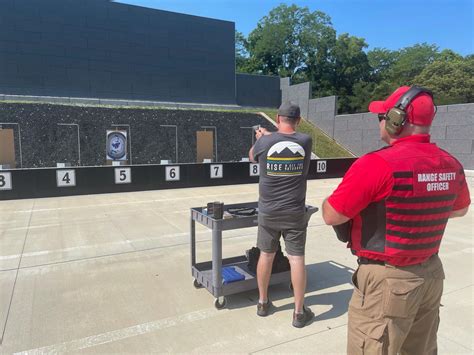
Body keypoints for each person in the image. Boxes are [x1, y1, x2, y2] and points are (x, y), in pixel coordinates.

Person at [322, 86, 470, 354]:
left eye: (381, 117)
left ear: (396, 120)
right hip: (432, 276)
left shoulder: (376, 164)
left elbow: (332, 214)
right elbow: (460, 210)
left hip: (387, 281)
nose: (379, 123)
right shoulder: (451, 163)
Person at [249, 101, 313, 328]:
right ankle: (298, 313)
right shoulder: (306, 141)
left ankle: (263, 303)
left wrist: (261, 138)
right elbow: (288, 139)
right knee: (296, 258)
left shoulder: (265, 142)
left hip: (269, 212)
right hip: (295, 211)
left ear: (277, 118)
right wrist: (270, 137)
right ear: (299, 120)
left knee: (266, 255)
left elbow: (252, 157)